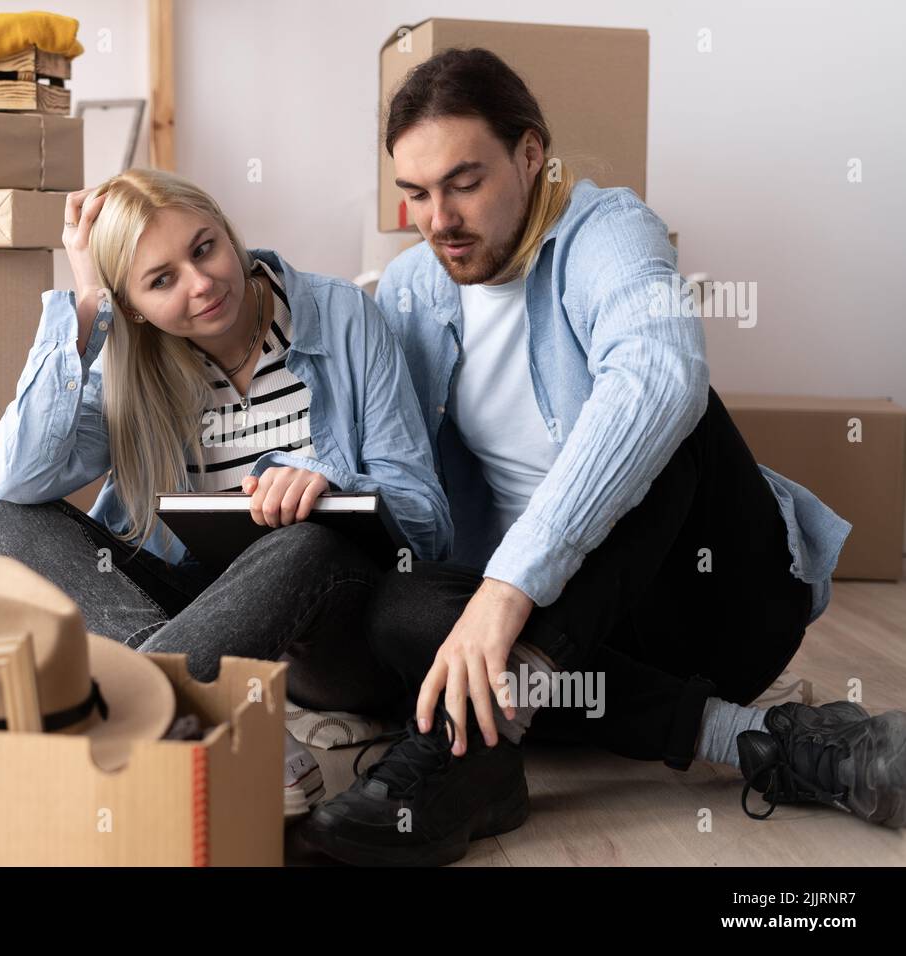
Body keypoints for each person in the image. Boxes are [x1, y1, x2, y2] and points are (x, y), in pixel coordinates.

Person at [300, 47, 903, 868]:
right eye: (415, 194)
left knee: (673, 415)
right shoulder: (411, 288)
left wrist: (508, 588)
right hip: (571, 647)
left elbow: (662, 377)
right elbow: (393, 457)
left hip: (712, 600)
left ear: (530, 154)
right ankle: (758, 741)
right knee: (402, 612)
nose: (438, 218)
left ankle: (461, 752)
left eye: (464, 182)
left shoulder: (607, 230)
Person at [0, 167, 452, 819]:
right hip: (200, 615)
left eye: (204, 248)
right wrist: (87, 305)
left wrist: (329, 482)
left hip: (332, 645)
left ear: (228, 231)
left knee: (302, 540)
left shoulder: (341, 315)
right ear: (135, 306)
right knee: (6, 521)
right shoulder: (132, 361)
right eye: (161, 280)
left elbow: (425, 519)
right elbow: (16, 476)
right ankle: (212, 708)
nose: (201, 284)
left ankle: (142, 710)